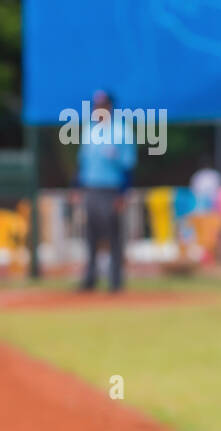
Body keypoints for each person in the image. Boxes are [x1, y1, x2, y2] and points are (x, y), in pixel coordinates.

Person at [76, 90, 137, 292]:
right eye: (96, 105)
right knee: (91, 235)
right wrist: (78, 187)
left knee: (113, 235)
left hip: (112, 188)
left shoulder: (121, 131)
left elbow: (128, 166)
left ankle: (115, 280)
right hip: (91, 187)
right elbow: (82, 162)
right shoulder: (90, 129)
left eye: (101, 105)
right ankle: (90, 278)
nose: (97, 108)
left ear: (110, 106)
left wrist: (123, 193)